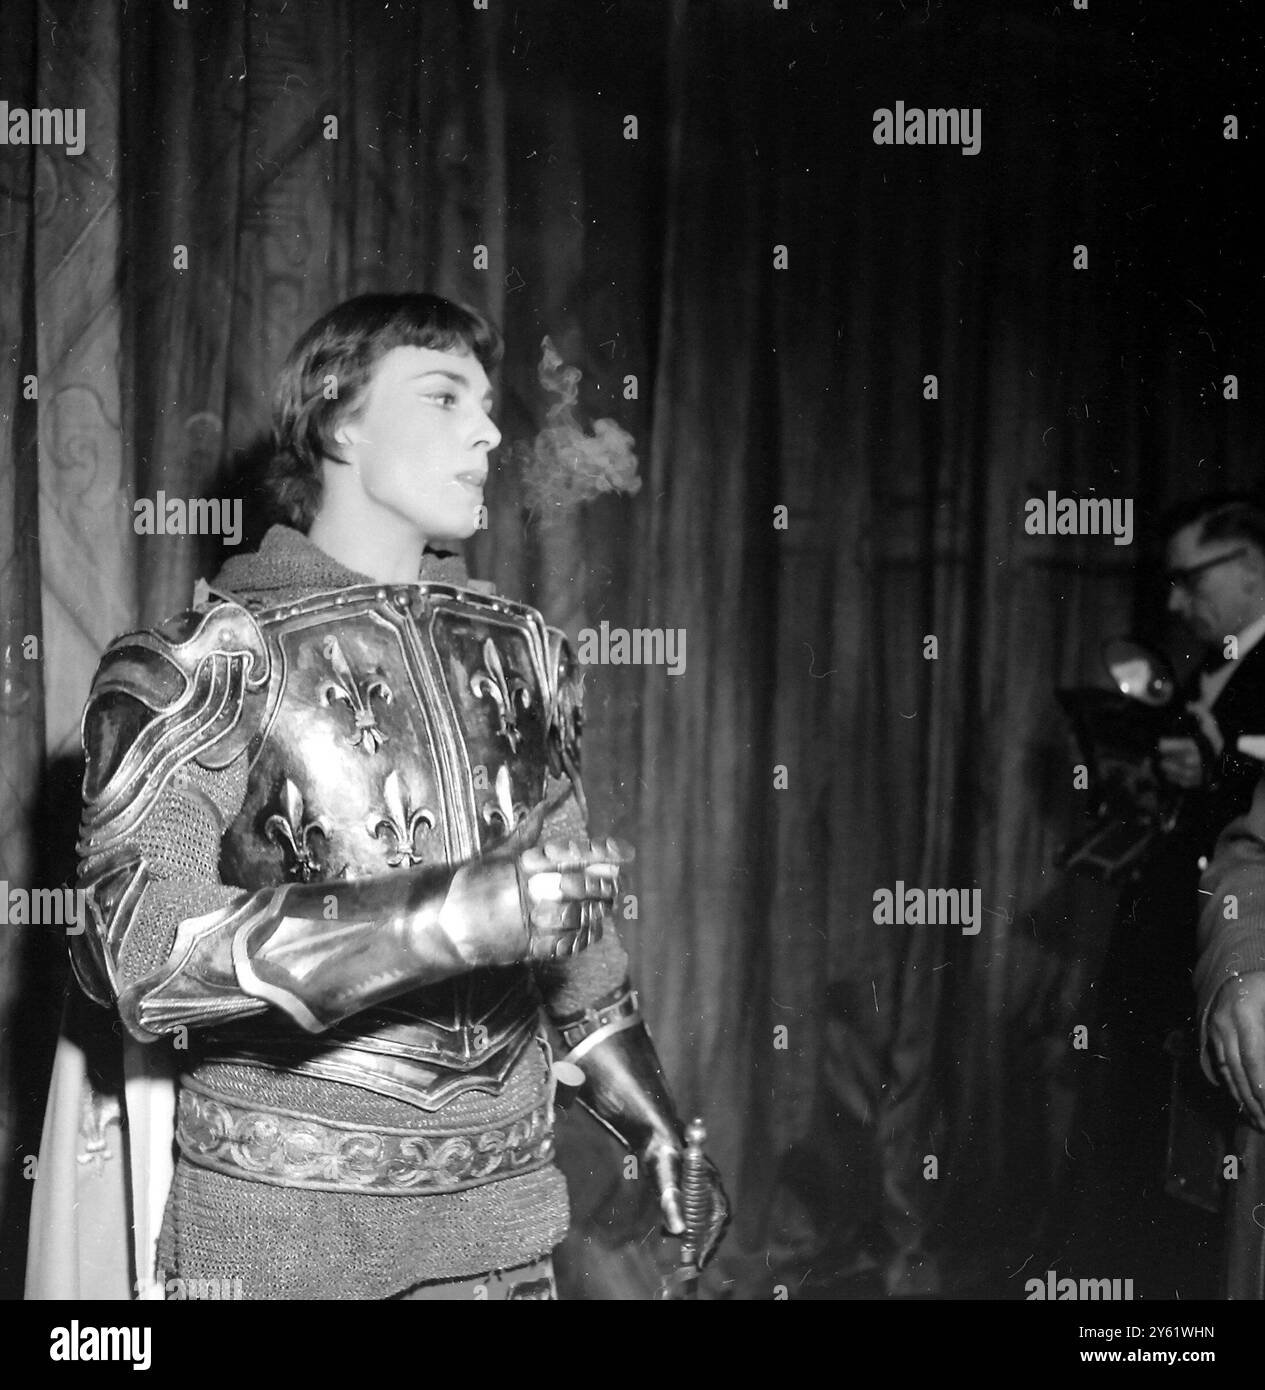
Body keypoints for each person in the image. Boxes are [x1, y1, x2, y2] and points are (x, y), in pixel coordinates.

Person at [26, 292, 728, 1301]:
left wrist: (653, 1116)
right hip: (286, 1237)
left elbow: (579, 950)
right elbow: (135, 954)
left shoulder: (520, 652)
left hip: (505, 1229)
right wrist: (453, 914)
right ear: (336, 416)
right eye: (443, 395)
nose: (488, 429)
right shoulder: (203, 660)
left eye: (487, 404)